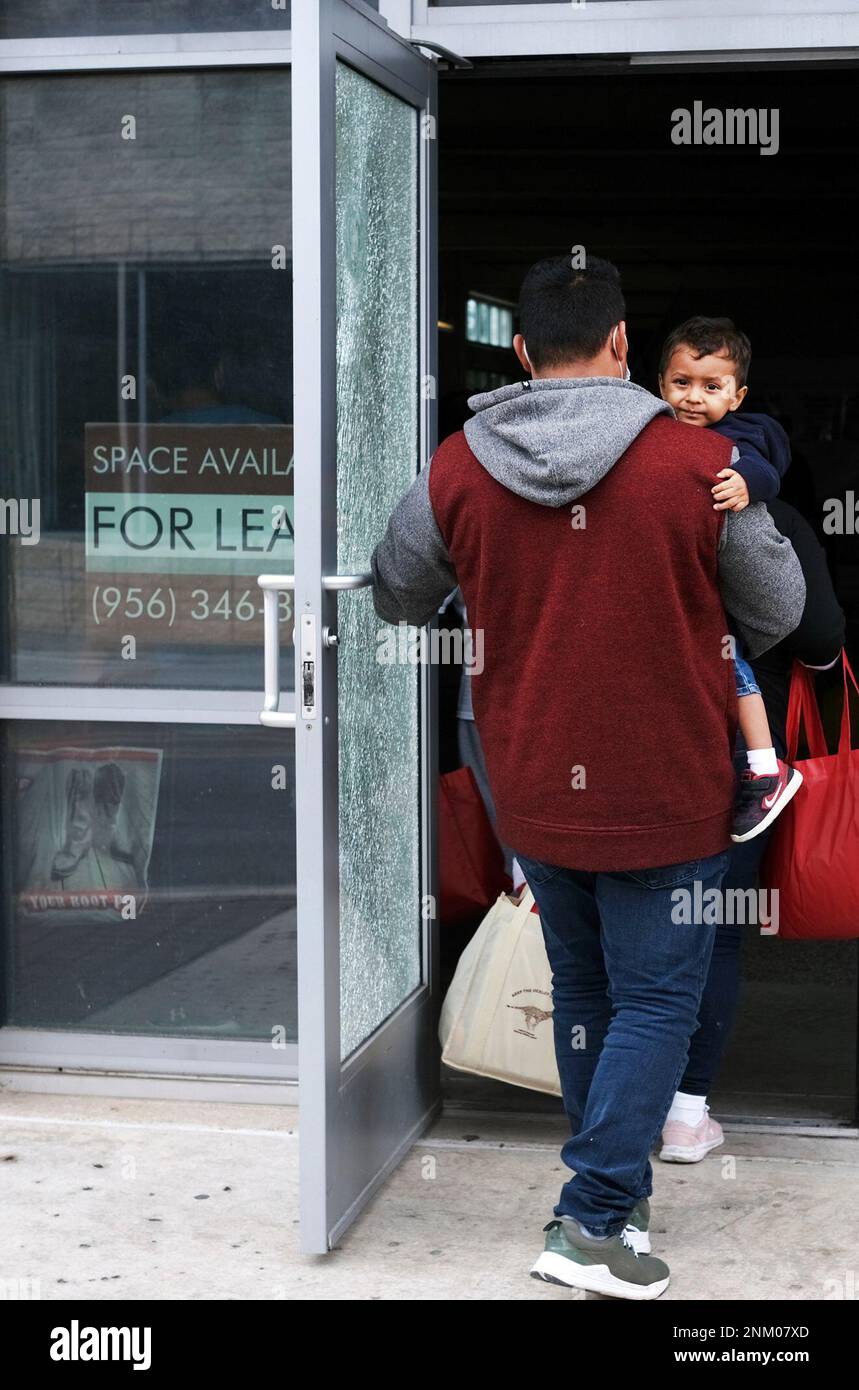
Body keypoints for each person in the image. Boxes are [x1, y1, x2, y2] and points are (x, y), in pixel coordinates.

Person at [370, 254, 805, 1300]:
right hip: (671, 788)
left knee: (587, 993)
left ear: (520, 352)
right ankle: (592, 1220)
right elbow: (779, 608)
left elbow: (394, 589)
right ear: (622, 349)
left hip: (532, 787)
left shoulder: (458, 465)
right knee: (657, 999)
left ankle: (608, 1194)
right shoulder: (695, 463)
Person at [660, 496, 846, 1161]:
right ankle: (683, 1115)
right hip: (739, 761)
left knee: (630, 925)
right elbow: (821, 638)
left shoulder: (615, 504)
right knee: (714, 931)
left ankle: (617, 1108)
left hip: (627, 749)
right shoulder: (772, 517)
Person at [658, 317, 803, 843]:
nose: (694, 398)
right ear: (660, 384)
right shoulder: (655, 431)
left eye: (711, 387)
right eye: (682, 383)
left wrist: (746, 483)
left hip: (719, 598)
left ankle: (765, 765)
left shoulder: (740, 438)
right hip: (687, 592)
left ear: (737, 395)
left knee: (733, 667)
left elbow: (768, 471)